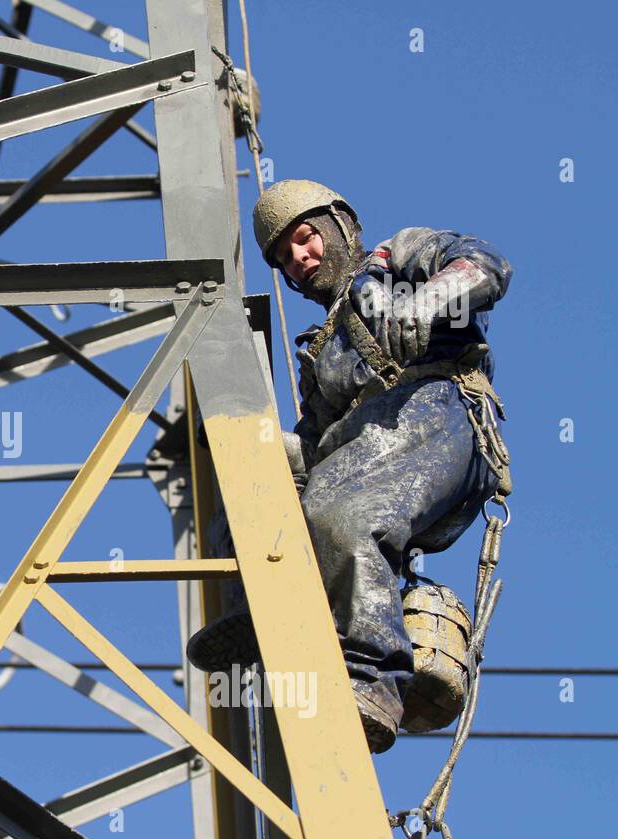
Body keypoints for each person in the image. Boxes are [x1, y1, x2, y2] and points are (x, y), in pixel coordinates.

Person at [186, 180, 513, 753]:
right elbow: (315, 444)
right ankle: (257, 606)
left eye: (306, 240)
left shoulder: (398, 259)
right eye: (285, 259)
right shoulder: (321, 349)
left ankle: (371, 677)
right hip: (361, 444)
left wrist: (432, 298)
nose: (300, 261)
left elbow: (486, 265)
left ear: (339, 226)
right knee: (259, 479)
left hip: (434, 411)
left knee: (344, 510)